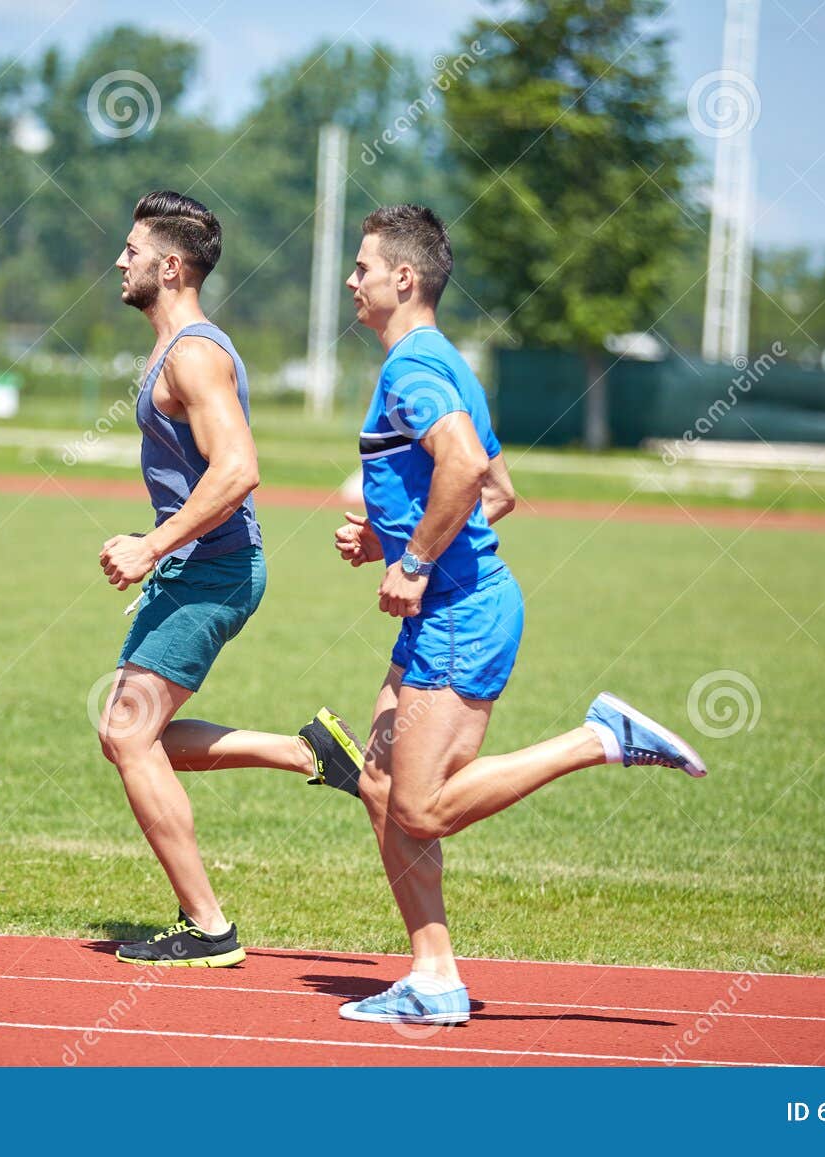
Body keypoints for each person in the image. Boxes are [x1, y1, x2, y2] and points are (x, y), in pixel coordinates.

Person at [332, 204, 707, 1024]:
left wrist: (416, 559)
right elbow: (497, 492)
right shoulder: (441, 361)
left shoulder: (411, 368)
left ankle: (599, 738)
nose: (350, 281)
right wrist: (389, 538)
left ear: (405, 278)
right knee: (377, 782)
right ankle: (433, 976)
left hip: (460, 610)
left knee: (422, 807)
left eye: (362, 267)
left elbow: (465, 467)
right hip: (450, 608)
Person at [97, 190, 364, 968]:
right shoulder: (177, 346)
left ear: (170, 265)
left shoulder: (194, 353)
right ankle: (303, 751)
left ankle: (207, 927)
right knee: (128, 735)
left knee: (126, 732)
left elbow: (239, 469)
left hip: (211, 571)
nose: (120, 260)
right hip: (197, 567)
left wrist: (153, 546)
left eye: (133, 249)